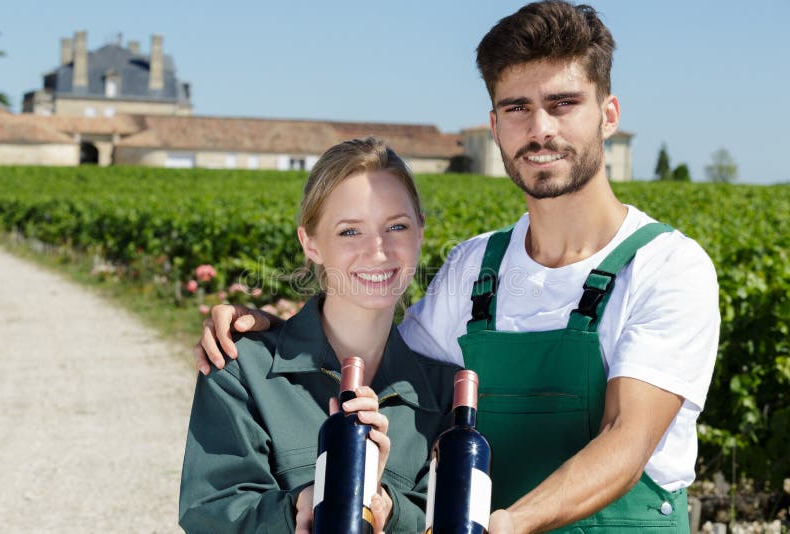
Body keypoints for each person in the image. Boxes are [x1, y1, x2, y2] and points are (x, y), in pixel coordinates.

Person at [193, 2, 720, 532]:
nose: (540, 129)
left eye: (563, 103)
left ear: (608, 115)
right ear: (495, 126)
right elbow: (386, 357)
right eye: (517, 108)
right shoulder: (474, 268)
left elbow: (626, 440)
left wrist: (511, 523)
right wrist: (273, 337)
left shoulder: (667, 267)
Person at [179, 137, 460, 533]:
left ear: (420, 234)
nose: (378, 250)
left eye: (397, 226)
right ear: (309, 243)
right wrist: (300, 507)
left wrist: (381, 506)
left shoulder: (447, 393)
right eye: (349, 232)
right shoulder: (241, 368)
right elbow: (209, 513)